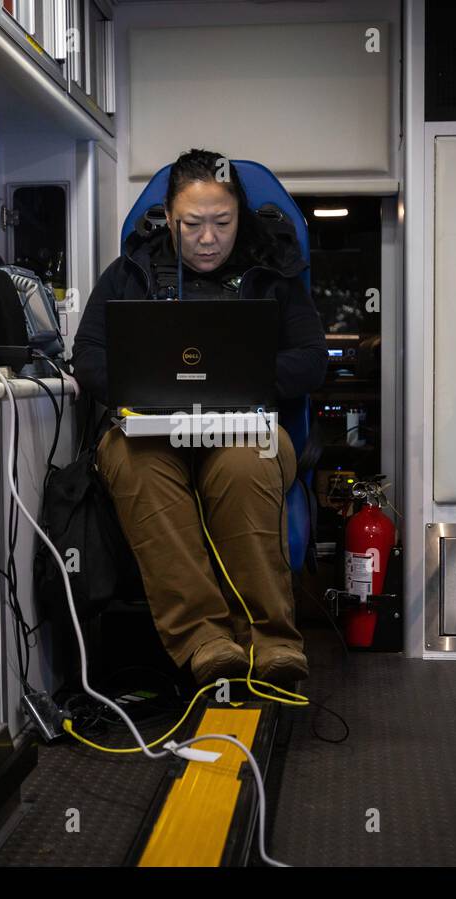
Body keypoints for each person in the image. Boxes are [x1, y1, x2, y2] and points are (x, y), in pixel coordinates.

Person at [71, 148, 327, 687]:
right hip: (153, 432)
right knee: (130, 460)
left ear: (242, 215)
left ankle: (271, 641)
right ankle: (206, 641)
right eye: (193, 224)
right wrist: (147, 385)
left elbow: (309, 359)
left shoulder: (274, 273)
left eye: (222, 222)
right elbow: (89, 356)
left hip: (246, 428)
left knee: (244, 466)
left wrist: (244, 378)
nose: (208, 238)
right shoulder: (130, 273)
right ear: (169, 219)